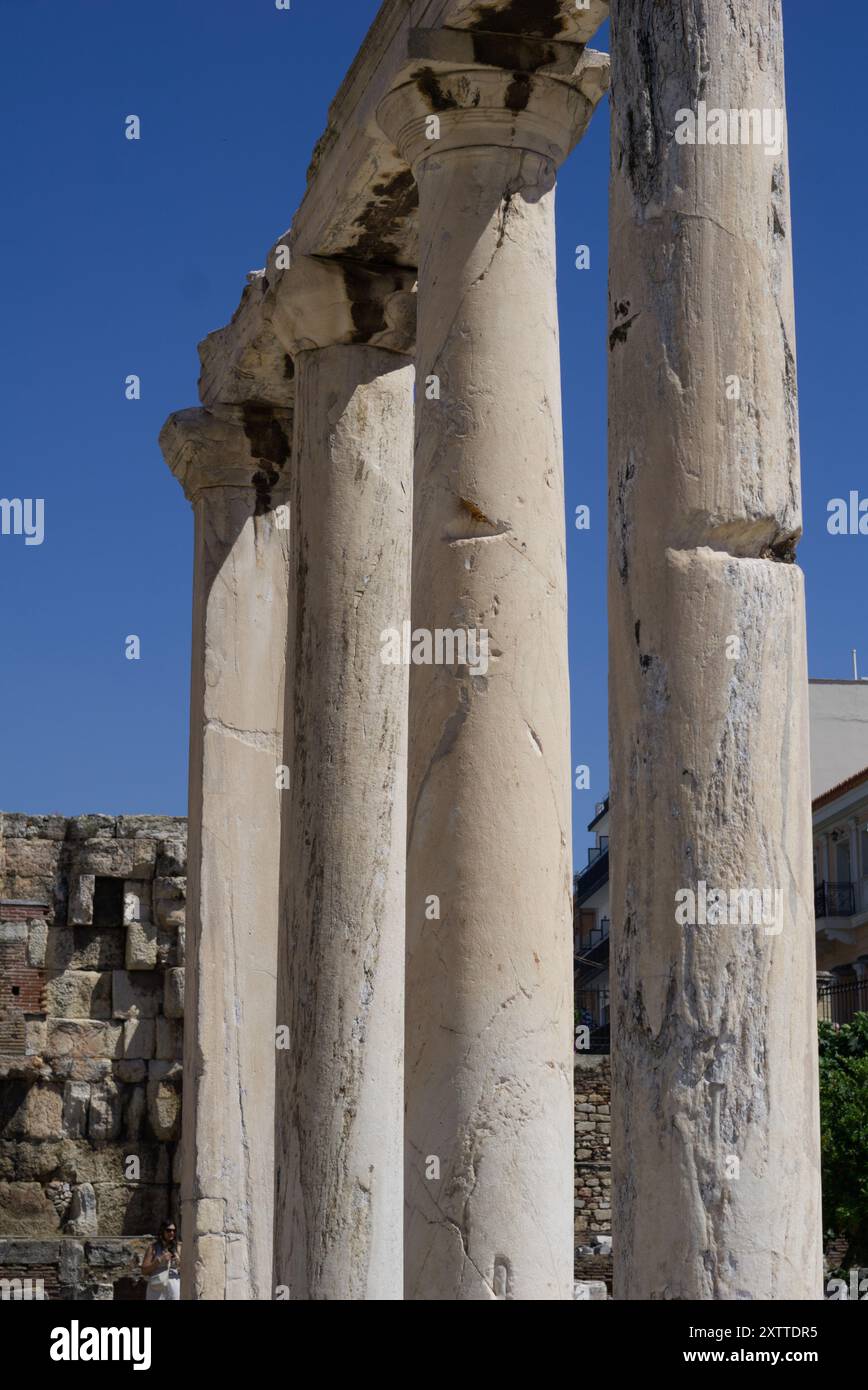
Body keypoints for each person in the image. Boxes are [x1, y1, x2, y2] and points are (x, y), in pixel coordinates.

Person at [142, 1221, 181, 1300]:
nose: (172, 1233)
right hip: (157, 1285)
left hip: (174, 1285)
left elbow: (186, 1269)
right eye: (168, 1230)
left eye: (174, 1230)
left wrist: (179, 1261)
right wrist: (159, 1261)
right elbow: (144, 1270)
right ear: (162, 1231)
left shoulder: (178, 1247)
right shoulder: (153, 1247)